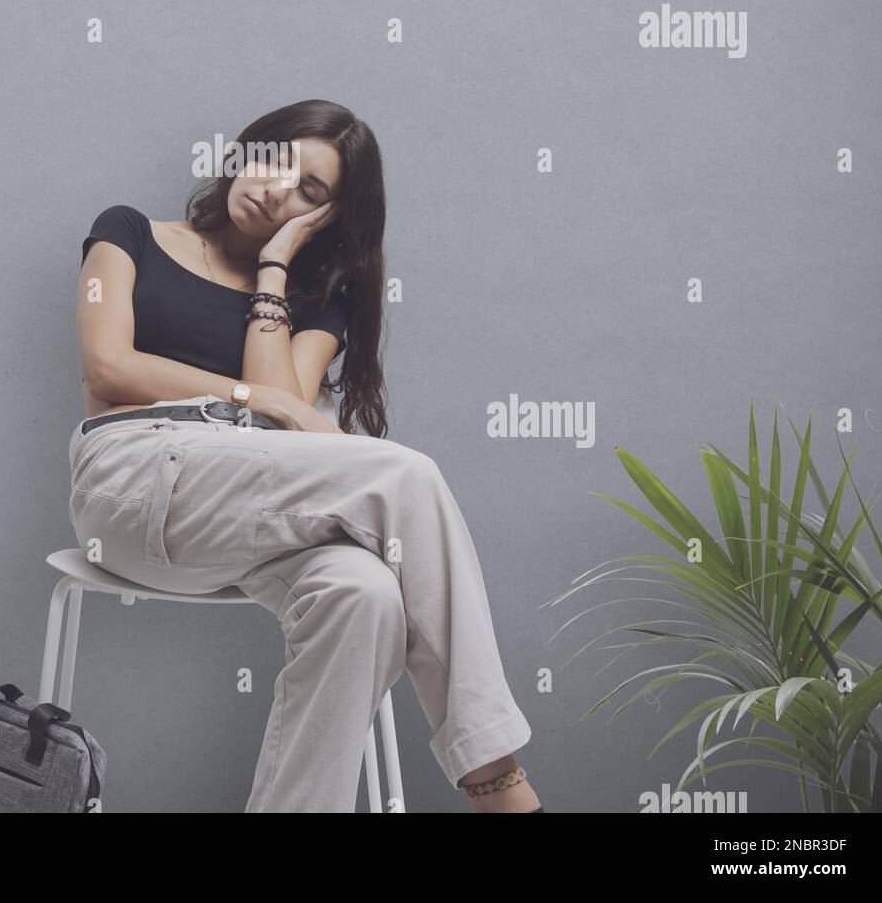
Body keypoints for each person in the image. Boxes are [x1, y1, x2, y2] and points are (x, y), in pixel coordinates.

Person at [69, 98, 543, 813]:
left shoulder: (315, 299)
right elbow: (107, 366)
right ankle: (500, 786)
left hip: (252, 510)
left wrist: (272, 269)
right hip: (134, 483)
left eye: (308, 194)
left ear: (323, 224)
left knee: (367, 593)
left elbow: (279, 423)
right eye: (276, 161)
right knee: (406, 475)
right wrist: (264, 399)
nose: (275, 188)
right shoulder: (129, 232)